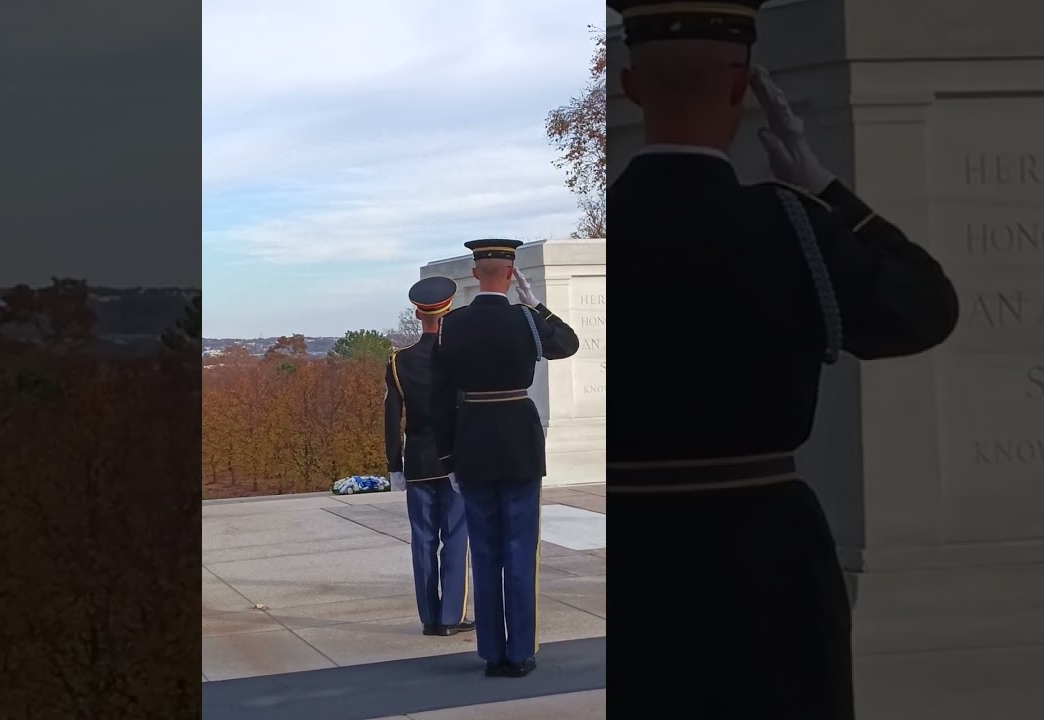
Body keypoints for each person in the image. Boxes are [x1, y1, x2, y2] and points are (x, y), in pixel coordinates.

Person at [606, 1, 961, 719]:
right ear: (742, 88)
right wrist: (827, 187)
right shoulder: (793, 226)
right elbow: (927, 308)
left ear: (630, 86)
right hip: (765, 556)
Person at [430, 240, 580, 678]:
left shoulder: (452, 325)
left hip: (473, 440)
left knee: (485, 548)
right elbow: (568, 344)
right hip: (519, 441)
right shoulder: (526, 321)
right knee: (519, 550)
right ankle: (521, 654)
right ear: (512, 275)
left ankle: (492, 653)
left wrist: (448, 457)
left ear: (475, 275)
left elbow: (440, 398)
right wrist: (537, 305)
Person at [384, 276, 475, 638]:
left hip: (419, 463)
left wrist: (395, 466)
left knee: (422, 540)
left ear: (419, 314)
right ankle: (452, 616)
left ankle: (430, 617)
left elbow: (392, 419)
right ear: (447, 311)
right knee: (455, 537)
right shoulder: (459, 357)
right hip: (457, 459)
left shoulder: (398, 362)